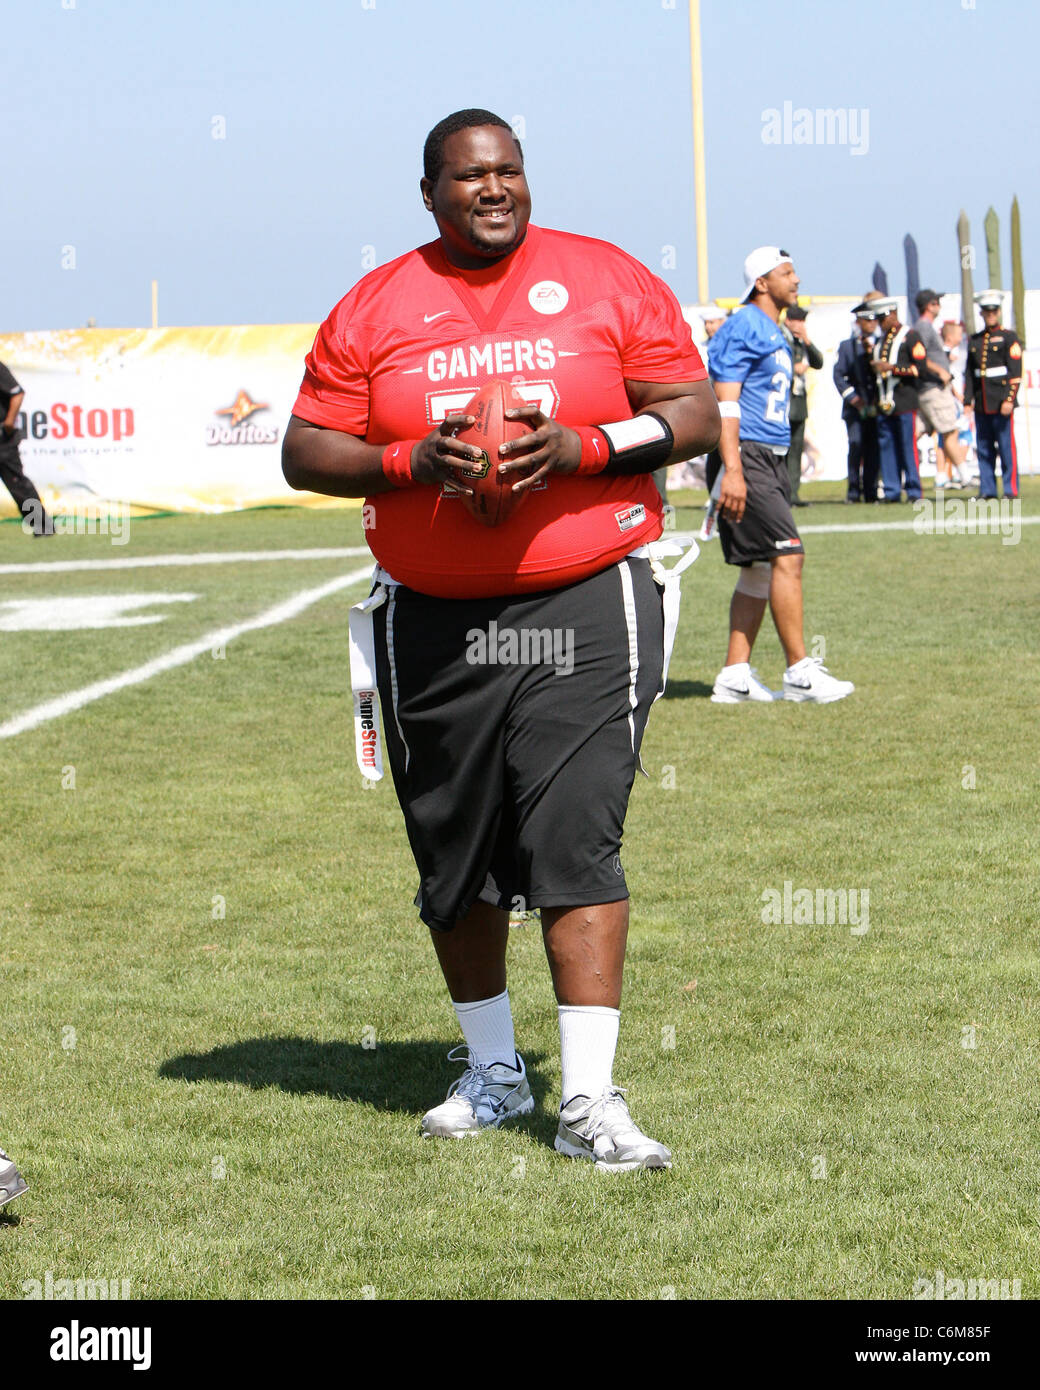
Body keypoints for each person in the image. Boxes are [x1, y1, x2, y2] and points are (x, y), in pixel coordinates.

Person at [281, 109, 719, 1171]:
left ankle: (588, 1099)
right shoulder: (377, 303)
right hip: (432, 613)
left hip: (584, 595)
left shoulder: (606, 278)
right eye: (470, 176)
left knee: (575, 833)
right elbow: (304, 448)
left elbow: (693, 415)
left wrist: (584, 446)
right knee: (454, 849)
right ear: (428, 191)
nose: (493, 190)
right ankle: (492, 1069)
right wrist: (405, 465)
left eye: (509, 171)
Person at [705, 246, 854, 704]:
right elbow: (724, 402)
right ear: (761, 282)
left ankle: (734, 675)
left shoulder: (776, 328)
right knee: (789, 555)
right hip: (745, 455)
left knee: (759, 567)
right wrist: (733, 469)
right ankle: (799, 673)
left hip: (767, 456)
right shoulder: (744, 324)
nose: (797, 279)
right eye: (786, 272)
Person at [964, 290, 1022, 499]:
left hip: (1000, 403)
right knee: (985, 448)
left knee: (1006, 447)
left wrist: (1009, 399)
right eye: (986, 311)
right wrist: (967, 400)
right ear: (981, 313)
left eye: (993, 311)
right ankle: (987, 489)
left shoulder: (1009, 338)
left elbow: (1015, 374)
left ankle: (1010, 489)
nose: (990, 314)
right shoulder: (975, 341)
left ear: (998, 312)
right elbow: (970, 374)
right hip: (982, 403)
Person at [911, 289, 970, 492]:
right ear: (930, 305)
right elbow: (919, 356)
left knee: (914, 434)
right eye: (936, 302)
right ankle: (966, 476)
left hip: (929, 389)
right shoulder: (924, 328)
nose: (939, 305)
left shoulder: (926, 328)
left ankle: (896, 476)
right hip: (934, 388)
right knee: (950, 433)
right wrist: (940, 371)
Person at [870, 298, 925, 502]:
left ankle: (913, 490)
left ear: (893, 315)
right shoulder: (880, 341)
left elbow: (920, 368)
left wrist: (892, 369)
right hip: (885, 402)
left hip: (904, 399)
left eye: (883, 318)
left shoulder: (910, 337)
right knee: (887, 446)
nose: (881, 323)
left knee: (907, 446)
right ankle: (891, 490)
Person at [834, 302, 881, 502]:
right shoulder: (847, 346)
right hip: (855, 408)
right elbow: (838, 375)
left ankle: (871, 491)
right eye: (866, 320)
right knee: (856, 447)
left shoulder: (881, 343)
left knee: (874, 450)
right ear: (859, 322)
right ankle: (853, 491)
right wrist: (854, 399)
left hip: (877, 406)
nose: (871, 324)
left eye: (873, 320)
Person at [0, 361, 50, 536]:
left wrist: (8, 422)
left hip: (2, 441)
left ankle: (42, 526)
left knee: (17, 483)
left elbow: (17, 393)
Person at [781, 304, 823, 507]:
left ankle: (793, 494)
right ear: (788, 320)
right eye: (798, 320)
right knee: (781, 450)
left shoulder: (800, 341)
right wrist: (792, 368)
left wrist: (807, 340)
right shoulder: (780, 336)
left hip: (798, 403)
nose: (800, 324)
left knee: (796, 449)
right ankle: (780, 494)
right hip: (782, 402)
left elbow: (818, 362)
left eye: (803, 320)